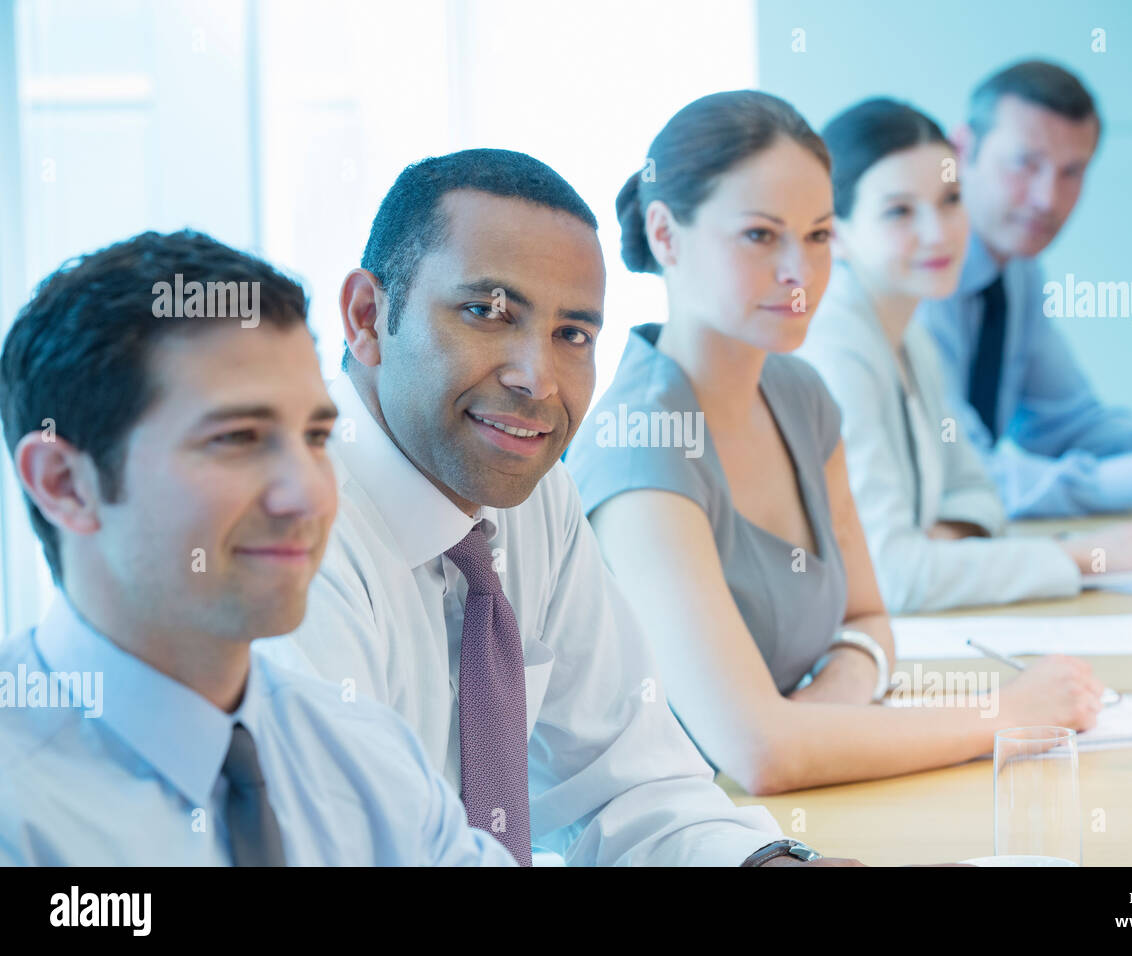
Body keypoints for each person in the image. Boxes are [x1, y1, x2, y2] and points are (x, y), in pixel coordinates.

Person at [258, 148, 849, 866]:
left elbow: (626, 789)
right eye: (485, 312)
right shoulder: (289, 531)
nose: (537, 380)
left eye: (572, 335)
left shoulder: (532, 496)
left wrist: (769, 865)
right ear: (367, 317)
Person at [564, 91, 1104, 796]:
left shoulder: (800, 395)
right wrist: (1004, 715)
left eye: (818, 235)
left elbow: (871, 619)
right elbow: (761, 753)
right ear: (666, 236)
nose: (800, 273)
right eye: (760, 235)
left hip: (793, 808)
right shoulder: (641, 446)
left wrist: (814, 718)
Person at [0, 230, 516, 866]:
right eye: (238, 438)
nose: (308, 495)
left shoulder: (368, 759)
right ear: (66, 485)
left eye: (315, 436)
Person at [798, 98, 1132, 614]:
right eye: (899, 211)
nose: (938, 232)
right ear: (836, 235)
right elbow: (893, 577)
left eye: (950, 199)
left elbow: (980, 492)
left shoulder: (909, 336)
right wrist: (1079, 556)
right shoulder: (835, 348)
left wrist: (945, 538)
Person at [918, 60, 1132, 518]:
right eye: (1025, 164)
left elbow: (1066, 424)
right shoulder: (918, 273)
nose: (1046, 199)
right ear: (961, 150)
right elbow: (962, 479)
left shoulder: (1017, 271)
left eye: (1071, 172)